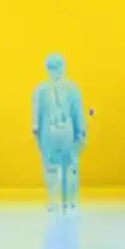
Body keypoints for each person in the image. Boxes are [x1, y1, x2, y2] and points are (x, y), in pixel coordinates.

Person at [32, 53, 87, 211]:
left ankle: (67, 199)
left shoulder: (70, 89)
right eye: (52, 68)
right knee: (55, 166)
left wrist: (80, 131)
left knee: (66, 166)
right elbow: (37, 113)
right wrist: (36, 129)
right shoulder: (42, 90)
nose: (55, 71)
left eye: (56, 68)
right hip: (53, 131)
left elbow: (77, 112)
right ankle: (57, 199)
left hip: (60, 131)